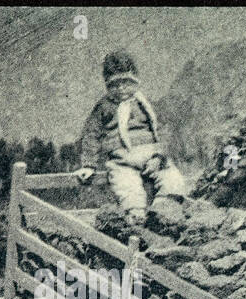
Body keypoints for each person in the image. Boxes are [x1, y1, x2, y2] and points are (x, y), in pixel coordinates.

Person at [75, 50, 187, 225]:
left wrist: (159, 156)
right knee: (128, 188)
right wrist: (89, 165)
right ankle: (136, 218)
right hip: (122, 159)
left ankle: (162, 215)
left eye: (126, 83)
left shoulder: (145, 104)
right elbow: (91, 135)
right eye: (115, 85)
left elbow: (163, 130)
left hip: (152, 156)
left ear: (135, 81)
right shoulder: (104, 107)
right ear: (107, 86)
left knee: (173, 179)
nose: (121, 89)